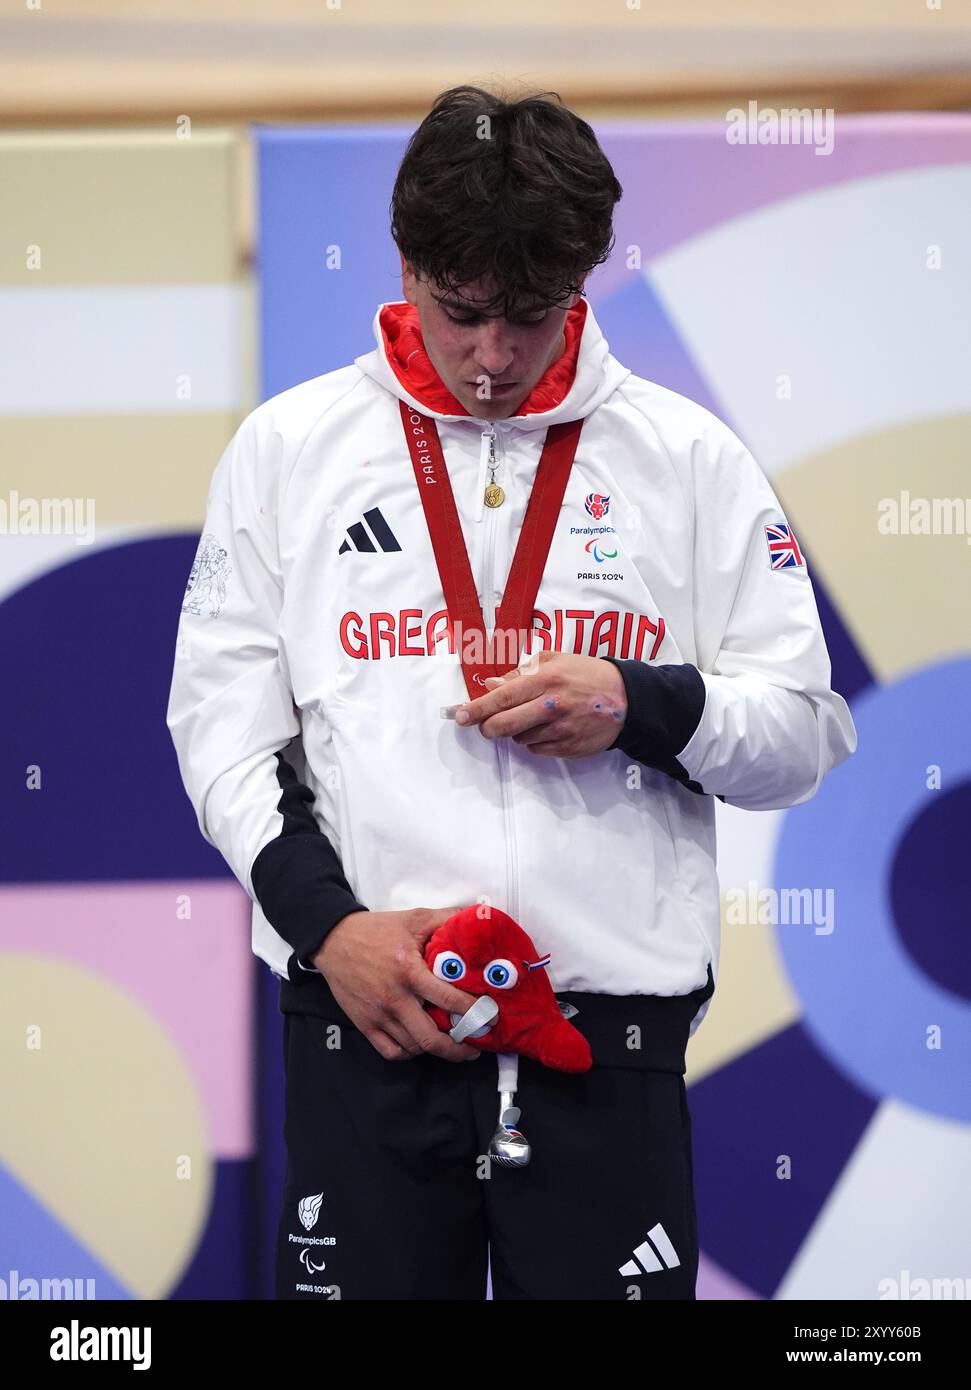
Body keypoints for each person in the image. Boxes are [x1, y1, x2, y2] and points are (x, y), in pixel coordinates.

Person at [166, 84, 857, 1301]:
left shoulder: (687, 459)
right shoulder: (287, 451)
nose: (491, 356)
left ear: (583, 281)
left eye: (530, 317)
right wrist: (327, 929)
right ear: (405, 266)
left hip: (605, 1047)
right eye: (461, 311)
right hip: (366, 1026)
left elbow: (801, 731)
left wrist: (638, 706)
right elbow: (221, 729)